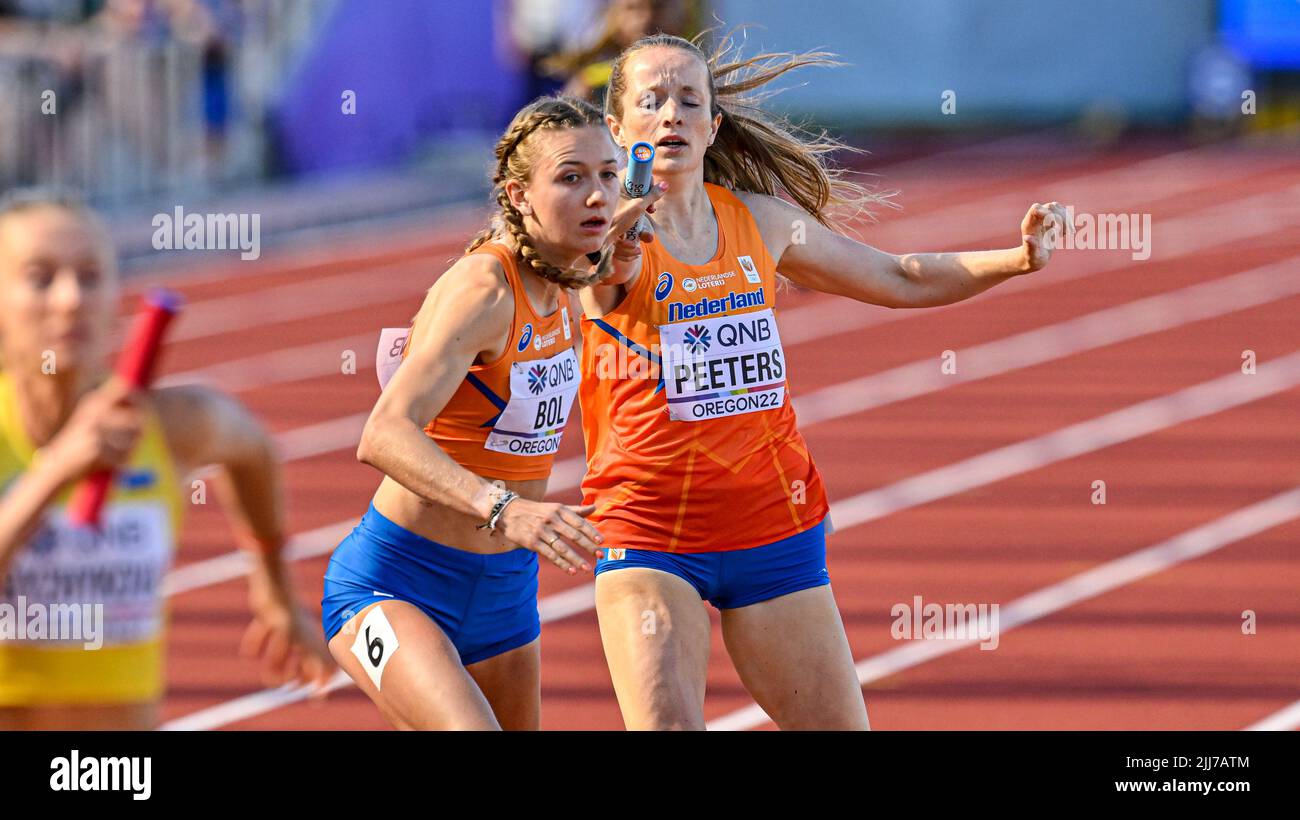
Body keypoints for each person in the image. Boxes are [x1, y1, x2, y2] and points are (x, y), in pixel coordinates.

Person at [578, 33, 1071, 729]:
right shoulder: (602, 235)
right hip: (652, 533)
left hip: (771, 528)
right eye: (650, 101)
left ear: (713, 125)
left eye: (689, 100)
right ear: (616, 125)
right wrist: (617, 222)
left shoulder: (763, 222)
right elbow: (597, 275)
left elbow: (899, 277)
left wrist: (1016, 260)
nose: (670, 116)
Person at [321, 96, 663, 730]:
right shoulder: (485, 289)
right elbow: (382, 433)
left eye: (607, 176)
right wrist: (503, 507)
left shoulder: (573, 272)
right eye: (570, 178)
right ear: (519, 194)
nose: (596, 196)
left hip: (505, 592)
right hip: (397, 585)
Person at [0, 190, 331, 730]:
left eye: (89, 277)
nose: (69, 300)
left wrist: (271, 582)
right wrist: (56, 470)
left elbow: (251, 448)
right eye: (41, 278)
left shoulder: (167, 425)